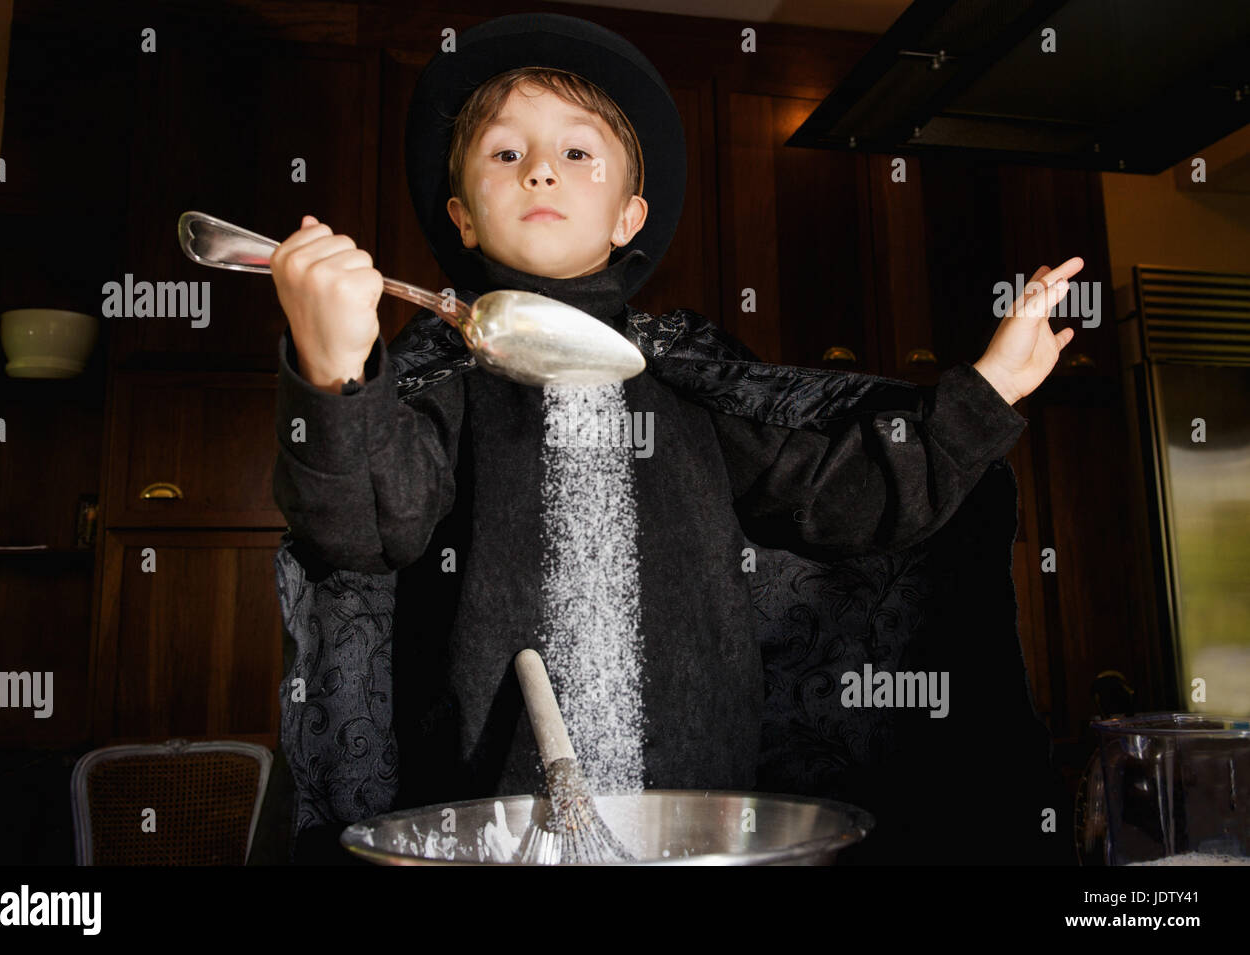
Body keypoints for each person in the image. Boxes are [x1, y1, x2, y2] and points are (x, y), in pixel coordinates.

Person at [265, 13, 1076, 865]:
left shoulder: (693, 380)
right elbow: (360, 529)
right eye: (506, 153)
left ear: (628, 216)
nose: (541, 165)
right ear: (463, 217)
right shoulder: (438, 382)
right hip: (491, 828)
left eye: (579, 153)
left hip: (696, 817)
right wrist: (337, 371)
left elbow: (848, 499)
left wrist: (990, 390)